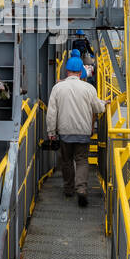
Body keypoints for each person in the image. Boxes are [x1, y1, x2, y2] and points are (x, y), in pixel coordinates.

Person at [46, 53, 106, 206]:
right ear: (80, 72)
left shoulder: (57, 88)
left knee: (67, 161)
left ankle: (68, 189)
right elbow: (98, 108)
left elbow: (52, 113)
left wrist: (51, 132)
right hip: (83, 132)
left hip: (65, 132)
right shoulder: (89, 88)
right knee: (82, 160)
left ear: (67, 72)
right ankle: (82, 189)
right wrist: (105, 103)